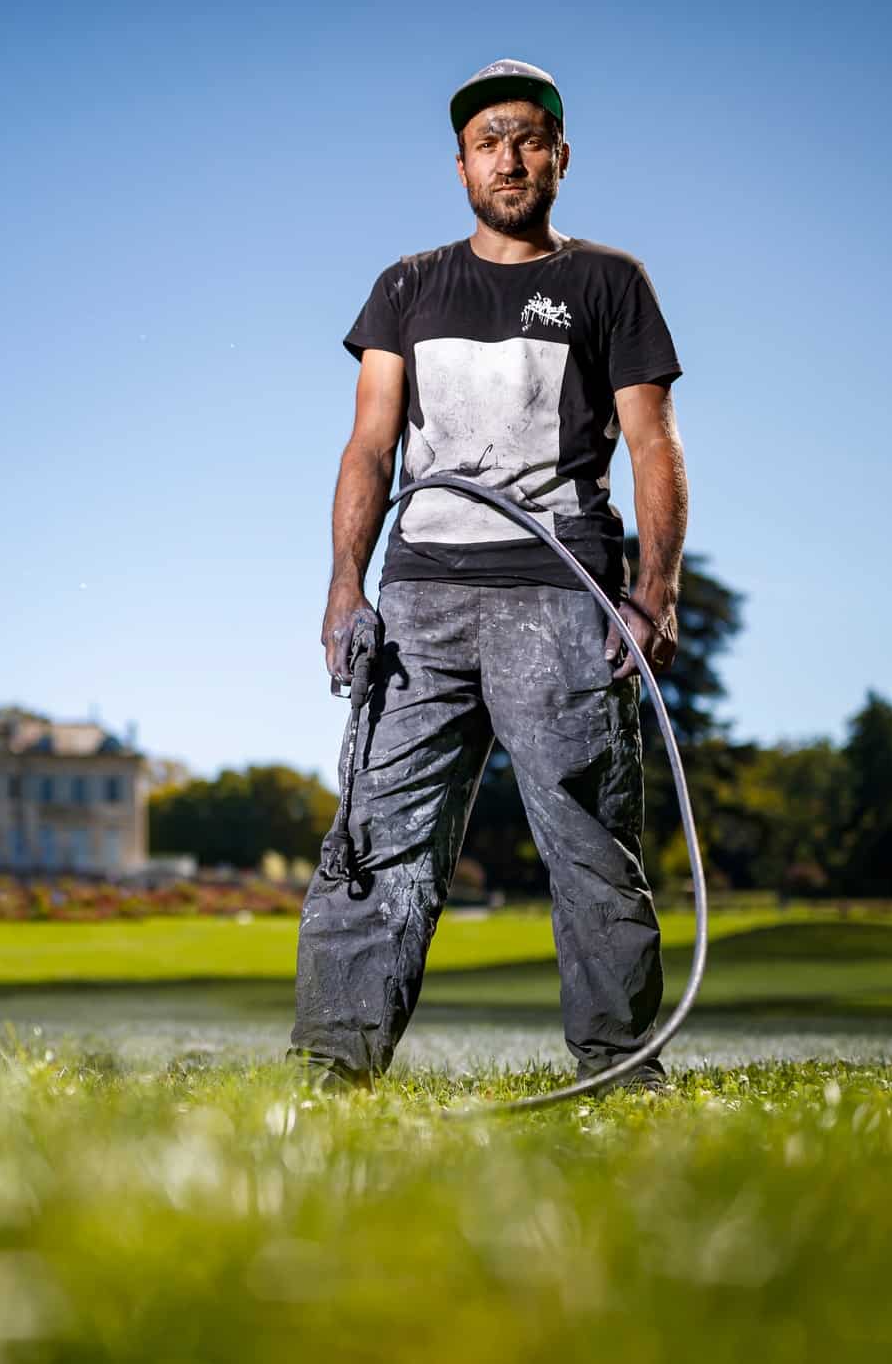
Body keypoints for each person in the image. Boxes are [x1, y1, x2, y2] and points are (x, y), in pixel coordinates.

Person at [290, 59, 689, 1092]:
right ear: (458, 163)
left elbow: (651, 445)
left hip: (560, 596)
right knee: (380, 834)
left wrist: (655, 590)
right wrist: (346, 585)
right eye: (484, 143)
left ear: (558, 154)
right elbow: (367, 449)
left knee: (587, 838)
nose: (505, 159)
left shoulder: (608, 282)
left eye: (524, 139)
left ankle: (616, 1070)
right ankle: (334, 1068)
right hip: (420, 595)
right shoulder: (406, 286)